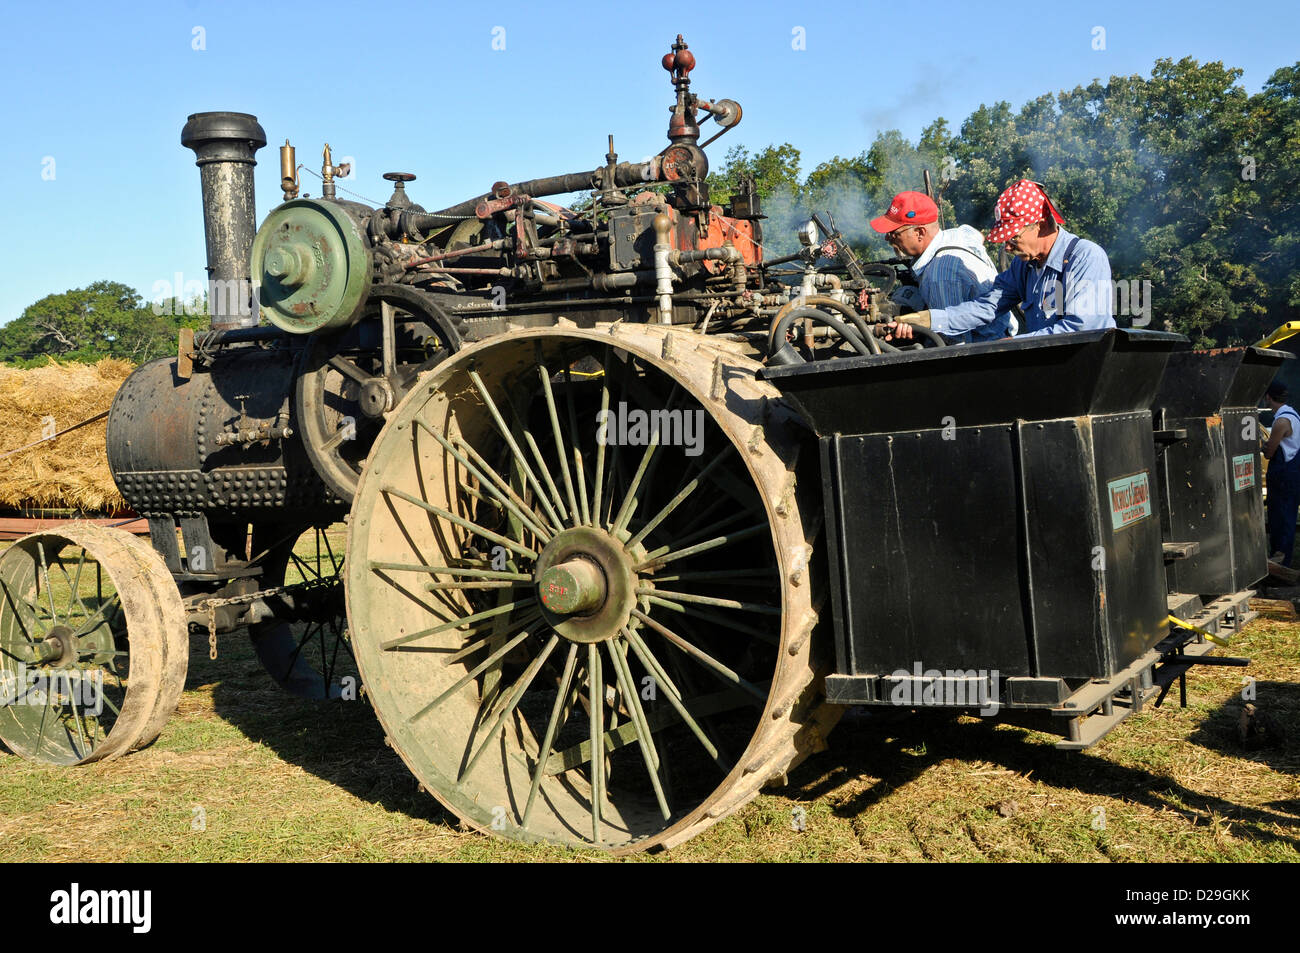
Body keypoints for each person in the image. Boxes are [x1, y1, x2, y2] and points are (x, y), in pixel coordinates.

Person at [878, 179, 1115, 341]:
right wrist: (929, 319)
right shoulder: (1023, 266)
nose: (1007, 246)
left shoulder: (1085, 257)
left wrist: (1012, 346)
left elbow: (1081, 329)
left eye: (1013, 237)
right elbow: (987, 306)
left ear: (1041, 225)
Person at [870, 190, 1012, 342]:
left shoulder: (940, 276)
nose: (887, 238)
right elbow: (975, 234)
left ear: (919, 232)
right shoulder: (956, 235)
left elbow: (954, 344)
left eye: (893, 233)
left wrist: (917, 333)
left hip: (989, 349)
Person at [1263, 382, 1300, 566]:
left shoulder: (1281, 421)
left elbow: (1269, 452)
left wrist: (1262, 444)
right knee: (1287, 517)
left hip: (1283, 474)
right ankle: (1283, 558)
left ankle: (1280, 562)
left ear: (1269, 397)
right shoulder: (1293, 415)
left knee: (1280, 518)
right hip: (1291, 472)